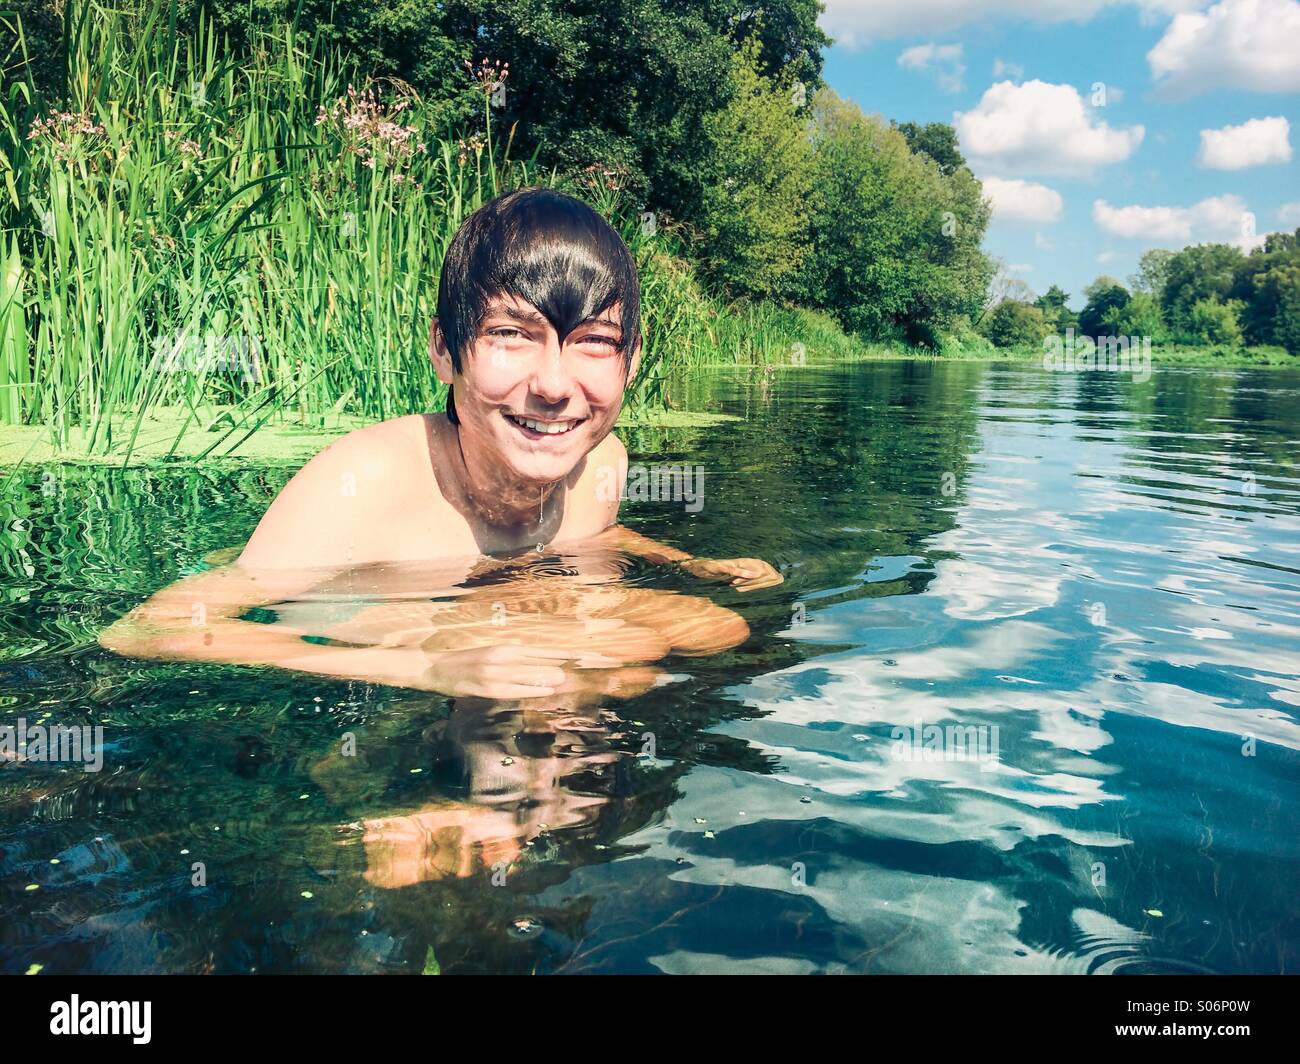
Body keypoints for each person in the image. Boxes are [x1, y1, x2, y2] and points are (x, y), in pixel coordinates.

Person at [98, 186, 782, 698]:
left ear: (630, 361)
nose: (554, 384)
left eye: (592, 344)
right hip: (373, 629)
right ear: (444, 350)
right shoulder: (364, 483)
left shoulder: (600, 460)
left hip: (494, 617)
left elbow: (588, 537)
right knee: (620, 657)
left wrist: (686, 561)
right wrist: (423, 664)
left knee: (712, 630)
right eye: (511, 335)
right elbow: (147, 631)